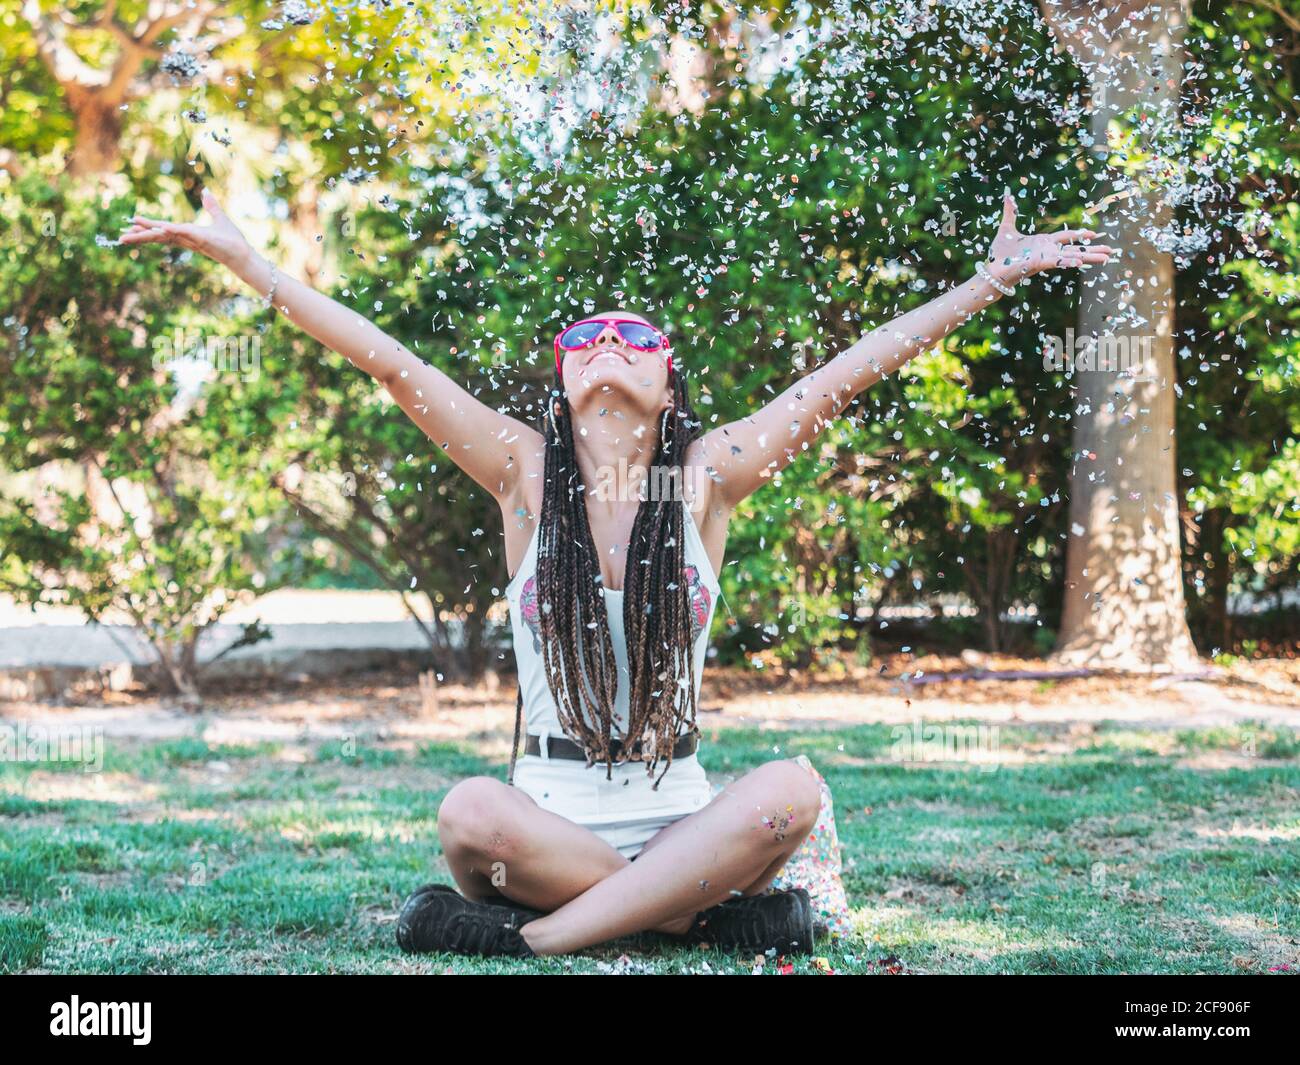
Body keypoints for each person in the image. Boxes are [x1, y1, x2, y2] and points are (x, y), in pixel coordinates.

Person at [120, 188, 1113, 959]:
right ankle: (690, 921)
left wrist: (986, 284)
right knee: (467, 810)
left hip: (682, 811)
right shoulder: (518, 471)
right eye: (583, 338)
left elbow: (842, 377)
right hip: (546, 825)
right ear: (559, 379)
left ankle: (541, 936)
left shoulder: (710, 476)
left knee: (790, 791)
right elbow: (388, 364)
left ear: (667, 377)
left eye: (634, 337)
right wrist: (253, 266)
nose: (606, 347)